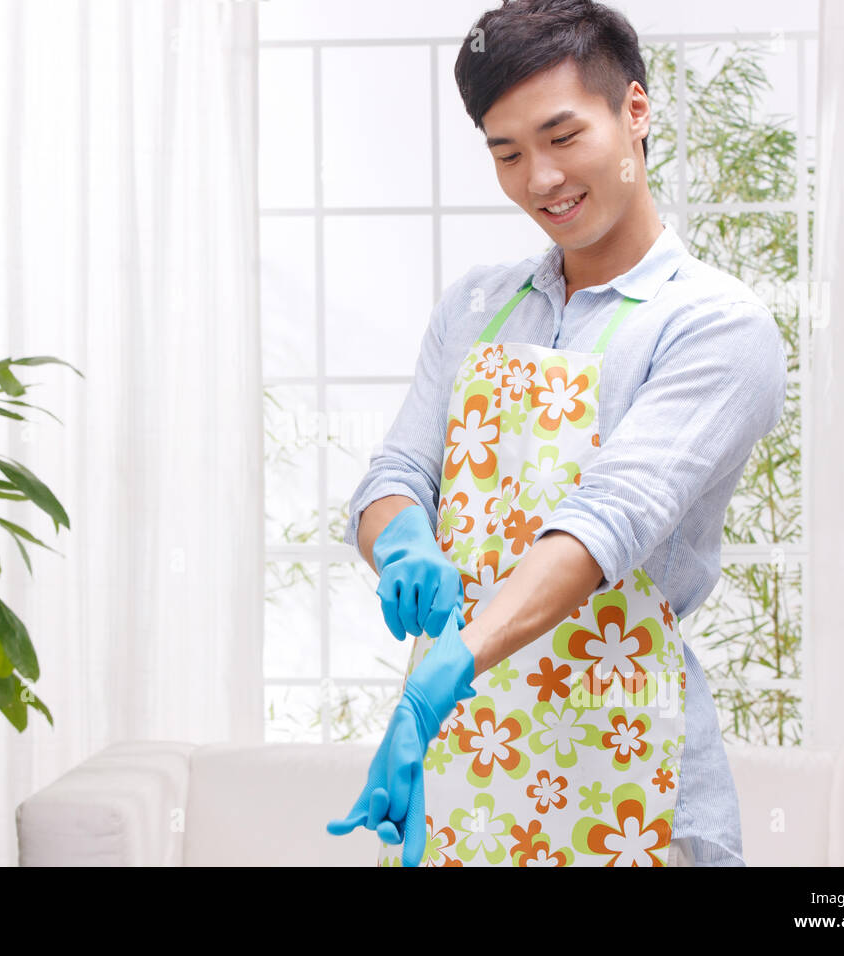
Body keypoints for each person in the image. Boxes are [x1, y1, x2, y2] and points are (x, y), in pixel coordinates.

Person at [326, 0, 786, 867]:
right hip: (467, 761)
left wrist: (436, 680)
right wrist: (400, 542)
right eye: (507, 152)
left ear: (636, 112)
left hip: (625, 769)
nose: (539, 177)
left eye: (562, 136)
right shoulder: (476, 304)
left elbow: (604, 523)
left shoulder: (717, 326)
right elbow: (394, 473)